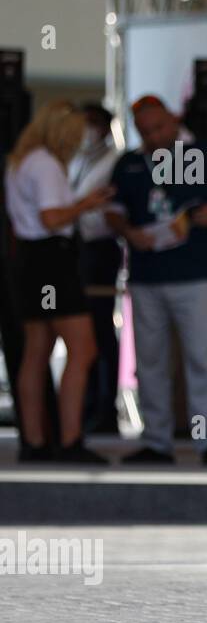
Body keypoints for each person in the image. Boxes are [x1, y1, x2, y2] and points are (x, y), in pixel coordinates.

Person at [104, 95, 207, 466]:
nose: (153, 136)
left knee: (202, 358)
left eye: (158, 128)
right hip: (146, 275)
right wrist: (129, 232)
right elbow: (113, 212)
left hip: (196, 274)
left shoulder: (204, 154)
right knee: (151, 361)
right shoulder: (130, 163)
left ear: (173, 121)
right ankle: (157, 441)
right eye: (145, 131)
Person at [5, 101, 114, 463]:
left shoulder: (21, 162)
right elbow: (52, 217)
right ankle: (70, 440)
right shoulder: (48, 164)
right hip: (52, 262)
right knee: (82, 349)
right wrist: (86, 204)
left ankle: (34, 441)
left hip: (29, 261)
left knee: (37, 351)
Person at [68, 103, 123, 435]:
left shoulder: (114, 161)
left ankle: (105, 408)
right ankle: (86, 405)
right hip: (77, 247)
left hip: (99, 248)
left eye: (90, 124)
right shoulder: (77, 159)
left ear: (104, 126)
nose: (85, 130)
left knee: (100, 329)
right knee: (81, 329)